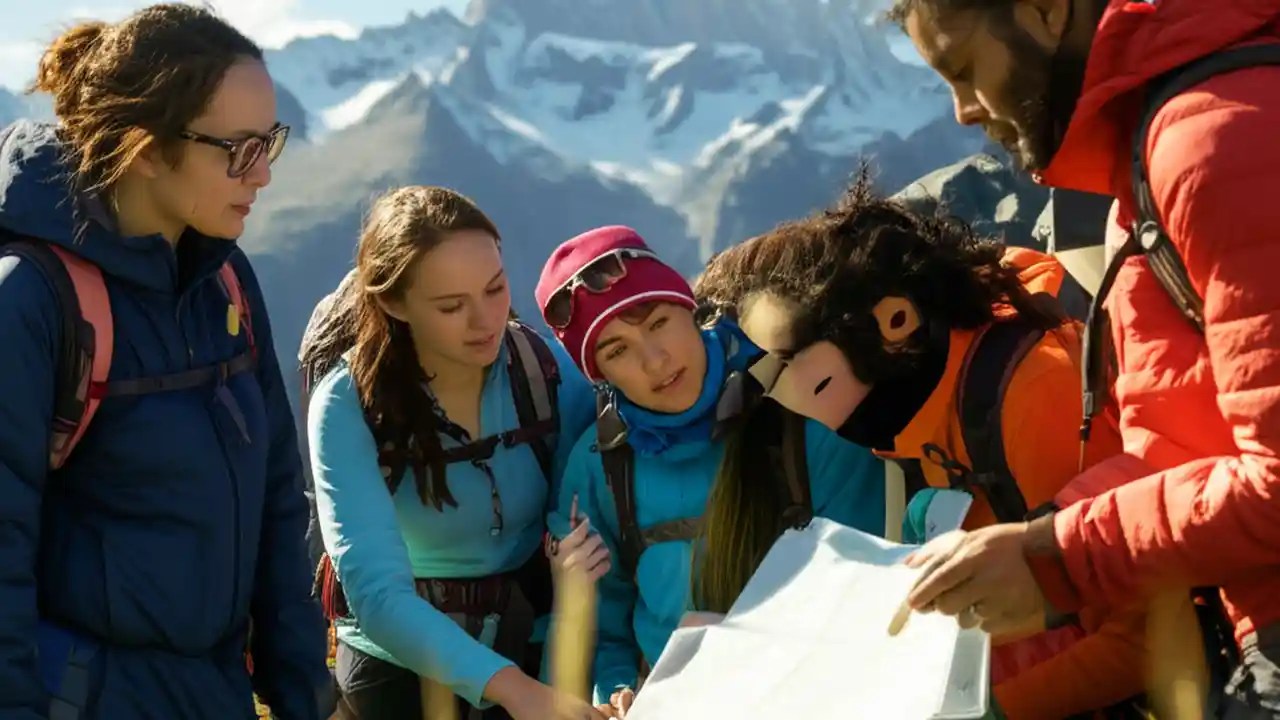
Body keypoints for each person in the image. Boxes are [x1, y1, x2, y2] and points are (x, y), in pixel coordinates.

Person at [889, 0, 1280, 714]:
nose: (962, 113)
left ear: (1044, 11)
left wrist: (1055, 556)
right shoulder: (1167, 139)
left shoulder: (1212, 141)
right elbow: (1192, 449)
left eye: (966, 68)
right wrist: (1034, 545)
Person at [693, 174, 1149, 719]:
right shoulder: (932, 410)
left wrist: (989, 709)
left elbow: (1137, 632)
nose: (768, 395)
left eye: (772, 365)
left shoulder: (1032, 392)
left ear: (893, 322)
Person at [0, 5, 332, 719]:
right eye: (239, 149)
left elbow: (278, 498)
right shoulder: (31, 303)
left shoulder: (226, 280)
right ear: (148, 149)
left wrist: (308, 692)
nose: (264, 174)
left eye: (270, 141)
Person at [535, 225, 887, 716]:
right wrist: (615, 693)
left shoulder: (801, 411)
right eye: (616, 351)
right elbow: (599, 629)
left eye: (658, 322)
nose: (654, 361)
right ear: (599, 375)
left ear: (689, 308)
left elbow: (870, 587)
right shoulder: (599, 469)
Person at [303, 185, 604, 720]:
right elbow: (376, 595)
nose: (486, 321)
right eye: (451, 306)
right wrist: (517, 691)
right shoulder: (348, 404)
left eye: (495, 289)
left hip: (530, 632)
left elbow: (587, 531)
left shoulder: (547, 376)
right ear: (393, 303)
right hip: (396, 660)